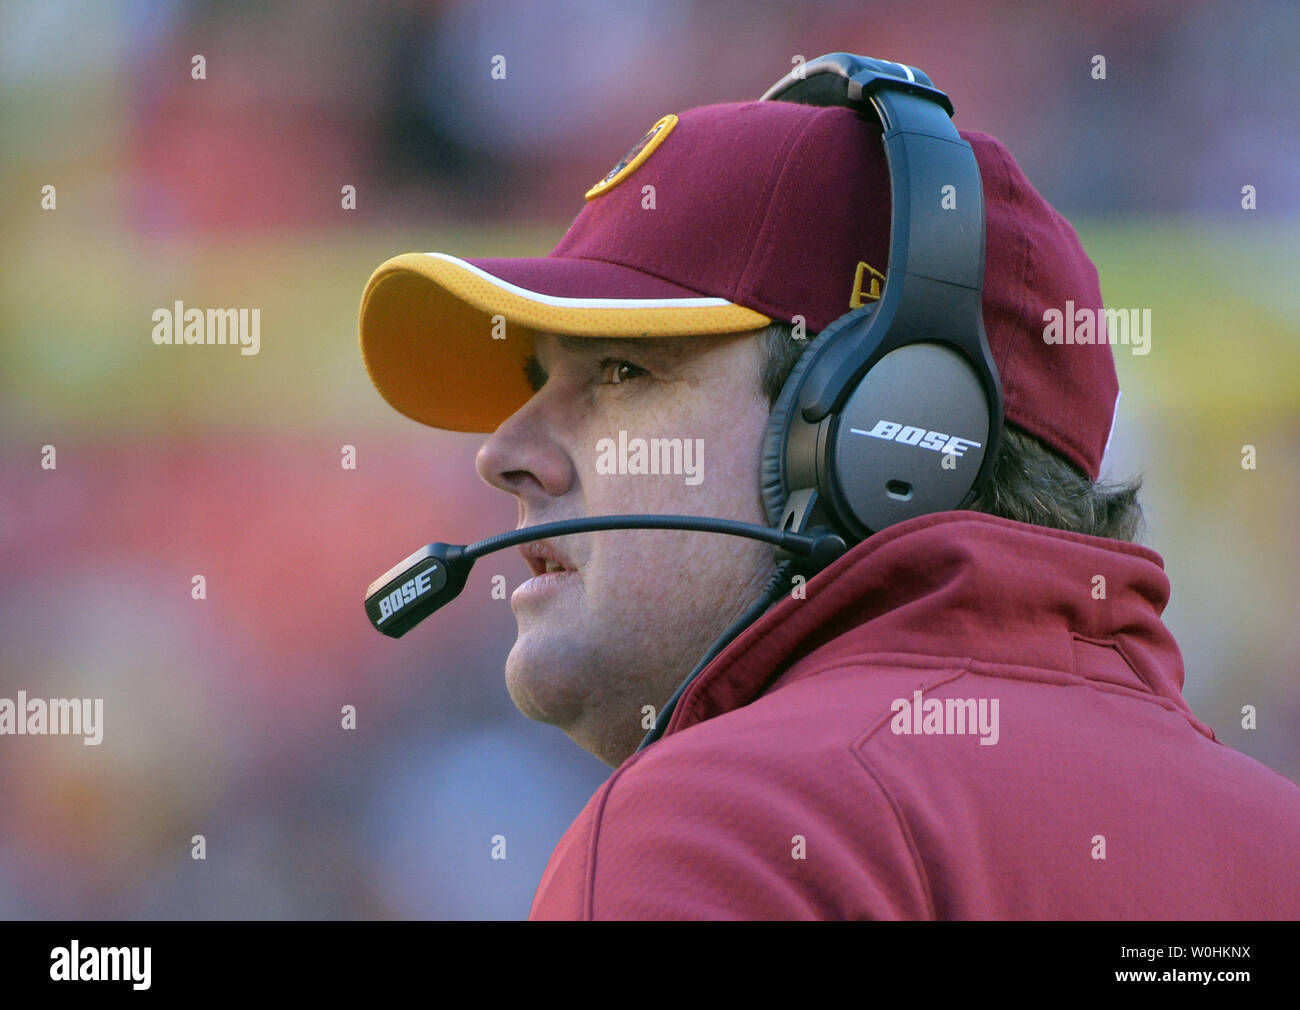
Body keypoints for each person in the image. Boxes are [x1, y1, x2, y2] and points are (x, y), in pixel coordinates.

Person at [357, 90, 1300, 919]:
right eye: (533, 378)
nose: (502, 456)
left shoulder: (719, 830)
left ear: (887, 427)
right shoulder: (1277, 841)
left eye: (620, 371)